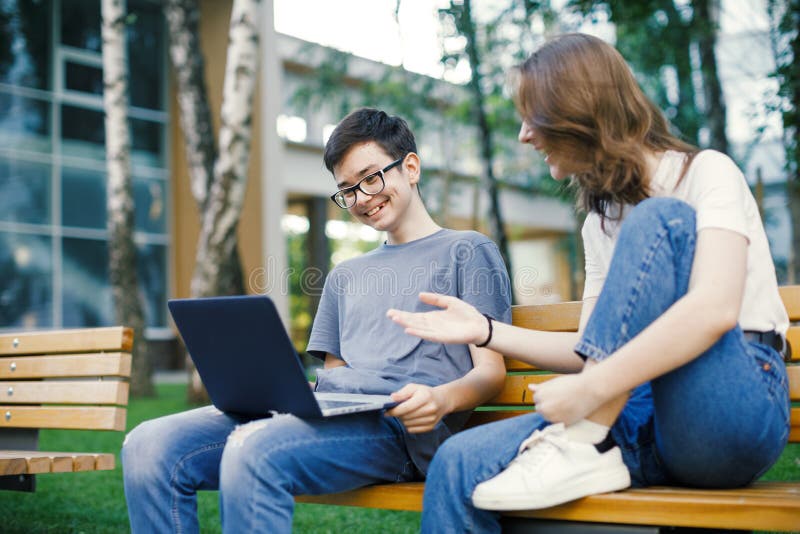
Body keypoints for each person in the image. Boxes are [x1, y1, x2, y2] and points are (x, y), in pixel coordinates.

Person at [387, 33, 790, 533]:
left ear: (577, 109)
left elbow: (715, 309)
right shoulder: (599, 224)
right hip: (638, 406)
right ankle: (584, 443)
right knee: (458, 461)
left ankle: (582, 442)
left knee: (660, 219)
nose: (523, 135)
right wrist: (484, 330)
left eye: (532, 116)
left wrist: (590, 393)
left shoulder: (707, 173)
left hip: (732, 406)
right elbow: (592, 347)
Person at [121, 108, 511, 533]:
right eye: (347, 190)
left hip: (402, 431)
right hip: (331, 418)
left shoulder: (467, 251)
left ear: (410, 167)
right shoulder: (345, 275)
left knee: (255, 449)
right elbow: (336, 379)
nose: (362, 198)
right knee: (147, 444)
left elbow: (491, 373)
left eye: (371, 177)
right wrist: (287, 393)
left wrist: (442, 400)